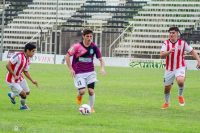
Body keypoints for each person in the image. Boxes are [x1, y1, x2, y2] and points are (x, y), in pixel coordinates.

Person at [65, 28, 106, 113]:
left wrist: (102, 68)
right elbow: (67, 56)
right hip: (79, 73)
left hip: (90, 72)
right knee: (82, 91)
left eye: (91, 36)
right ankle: (79, 98)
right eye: (87, 36)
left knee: (91, 91)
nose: (89, 38)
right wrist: (71, 69)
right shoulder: (77, 46)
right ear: (83, 36)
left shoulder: (94, 47)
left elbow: (101, 59)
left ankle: (91, 108)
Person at [160, 26, 200, 109]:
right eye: (170, 33)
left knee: (180, 81)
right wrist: (169, 51)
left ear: (177, 34)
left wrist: (199, 60)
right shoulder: (165, 43)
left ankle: (180, 95)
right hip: (169, 69)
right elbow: (161, 55)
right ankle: (167, 103)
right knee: (167, 89)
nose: (171, 34)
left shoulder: (183, 43)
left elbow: (192, 51)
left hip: (180, 66)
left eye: (173, 33)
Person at [6, 43, 38, 110]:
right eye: (33, 51)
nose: (34, 53)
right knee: (23, 94)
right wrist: (14, 75)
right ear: (27, 51)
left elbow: (25, 71)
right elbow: (8, 65)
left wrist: (32, 80)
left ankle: (12, 95)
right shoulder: (18, 56)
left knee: (27, 92)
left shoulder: (28, 59)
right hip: (11, 79)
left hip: (20, 78)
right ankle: (23, 106)